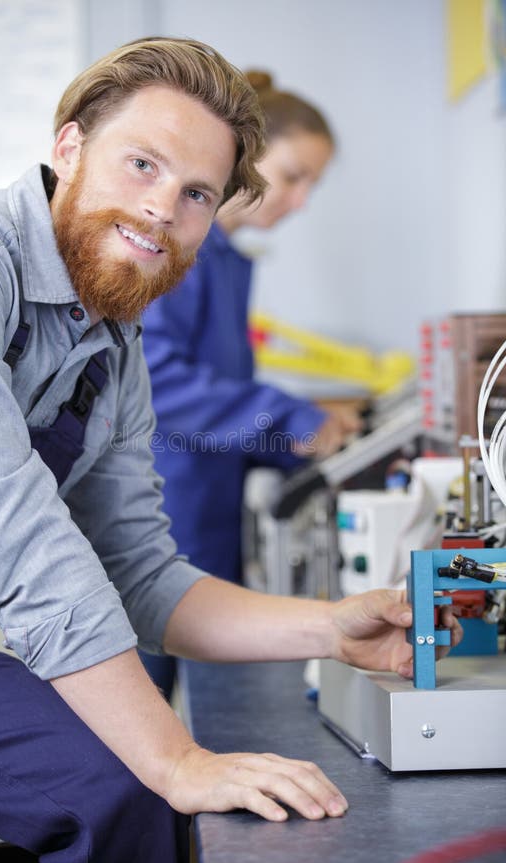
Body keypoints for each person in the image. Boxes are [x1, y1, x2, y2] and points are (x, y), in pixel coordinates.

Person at [0, 37, 461, 863]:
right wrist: (177, 757)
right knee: (143, 773)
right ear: (68, 145)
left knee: (128, 785)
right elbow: (11, 532)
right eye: (142, 164)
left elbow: (140, 572)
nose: (162, 209)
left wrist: (332, 628)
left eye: (196, 193)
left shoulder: (113, 349)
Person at [140, 71, 359, 696]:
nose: (300, 200)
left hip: (203, 513)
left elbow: (222, 390)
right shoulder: (185, 249)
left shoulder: (228, 258)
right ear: (243, 155)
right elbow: (157, 381)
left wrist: (302, 432)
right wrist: (293, 422)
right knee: (133, 726)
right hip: (158, 512)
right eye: (293, 177)